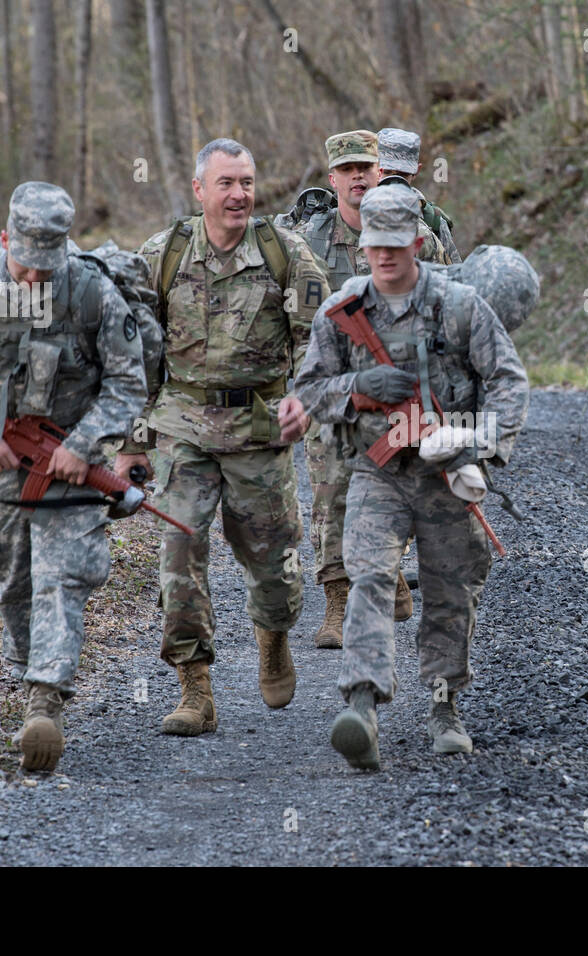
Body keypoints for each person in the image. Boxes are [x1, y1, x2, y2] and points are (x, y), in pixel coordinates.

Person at [295, 184, 530, 770]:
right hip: (376, 472)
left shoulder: (457, 305)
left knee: (451, 592)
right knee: (369, 577)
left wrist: (475, 440)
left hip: (446, 474)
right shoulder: (343, 308)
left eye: (397, 245)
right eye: (375, 245)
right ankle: (362, 705)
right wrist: (357, 389)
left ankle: (445, 707)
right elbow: (307, 393)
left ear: (419, 243)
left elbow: (509, 381)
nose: (385, 256)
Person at [0, 181, 147, 772]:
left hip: (72, 461)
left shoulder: (91, 290)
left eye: (45, 269)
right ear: (5, 240)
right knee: (14, 578)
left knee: (62, 576)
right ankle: (28, 678)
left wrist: (84, 443)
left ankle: (46, 702)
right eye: (25, 266)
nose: (33, 280)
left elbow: (129, 383)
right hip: (2, 463)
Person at [114, 138, 329, 735]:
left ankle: (273, 637)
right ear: (200, 190)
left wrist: (304, 397)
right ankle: (196, 689)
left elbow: (322, 338)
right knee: (179, 553)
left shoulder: (285, 251)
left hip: (260, 425)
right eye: (226, 183)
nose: (239, 194)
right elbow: (136, 355)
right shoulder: (164, 254)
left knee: (274, 568)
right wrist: (133, 441)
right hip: (183, 424)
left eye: (247, 183)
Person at [276, 130, 450, 648]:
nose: (357, 177)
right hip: (333, 390)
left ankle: (389, 569)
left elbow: (447, 306)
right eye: (346, 169)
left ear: (381, 174)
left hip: (398, 390)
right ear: (332, 180)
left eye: (365, 168)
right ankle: (335, 601)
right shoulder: (305, 242)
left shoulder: (415, 234)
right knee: (331, 493)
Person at [377, 126, 463, 262]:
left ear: (416, 171)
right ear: (375, 169)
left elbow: (453, 274)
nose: (394, 182)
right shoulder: (353, 213)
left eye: (402, 175)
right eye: (387, 173)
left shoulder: (433, 221)